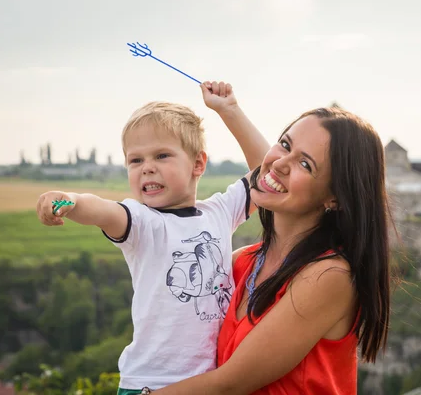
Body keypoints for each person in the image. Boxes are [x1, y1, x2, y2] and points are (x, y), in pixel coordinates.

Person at [35, 81, 269, 395]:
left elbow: (267, 172)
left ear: (198, 163)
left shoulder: (220, 212)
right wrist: (67, 201)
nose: (147, 169)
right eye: (136, 160)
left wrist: (230, 111)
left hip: (207, 384)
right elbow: (102, 210)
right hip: (149, 384)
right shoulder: (143, 223)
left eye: (161, 156)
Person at [151, 107, 395, 394]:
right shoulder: (243, 262)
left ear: (335, 197)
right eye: (285, 144)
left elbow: (228, 385)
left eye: (306, 164)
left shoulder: (329, 276)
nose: (280, 163)